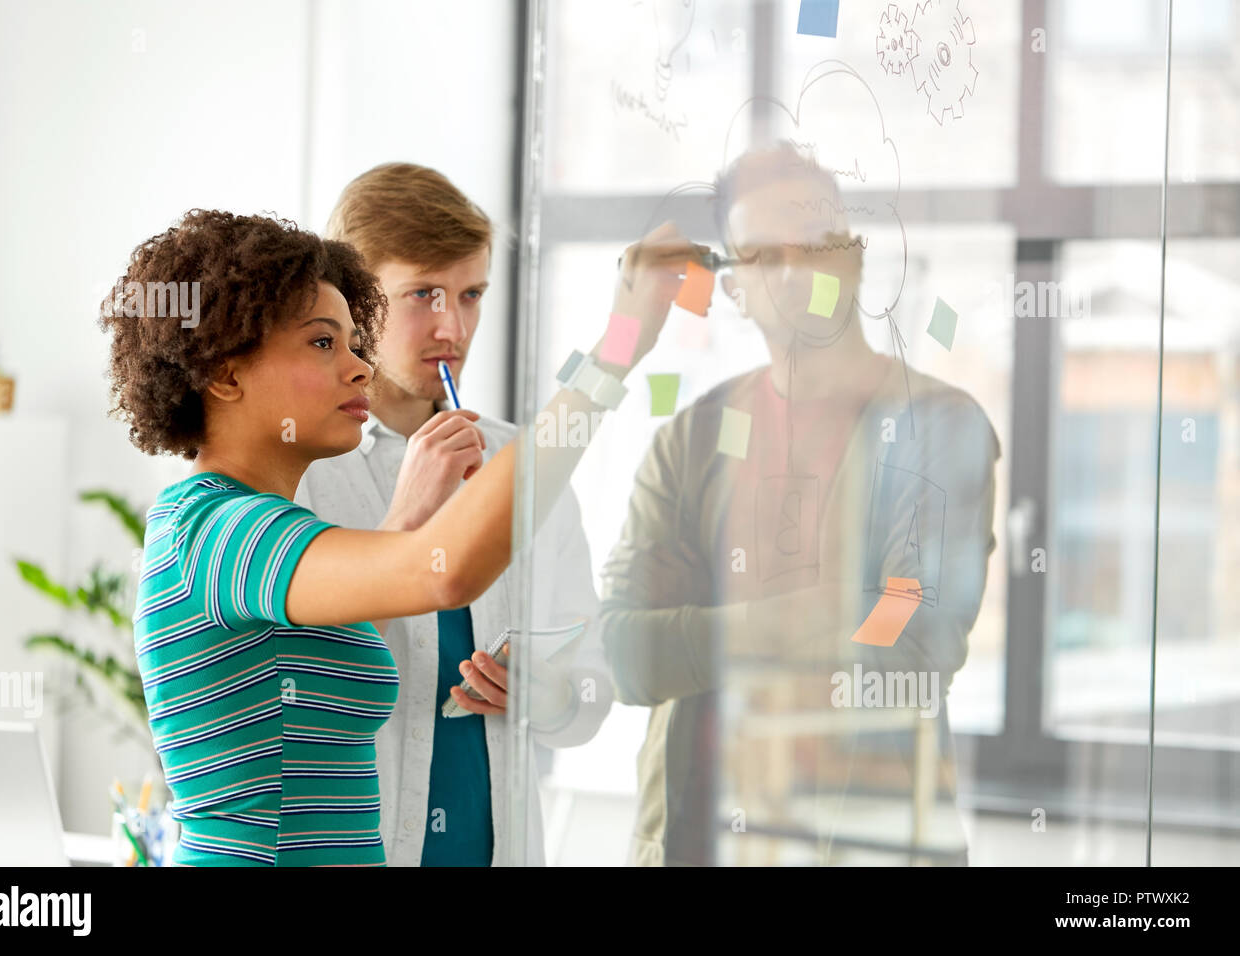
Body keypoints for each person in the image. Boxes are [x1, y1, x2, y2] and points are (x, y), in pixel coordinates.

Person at [103, 207, 697, 865]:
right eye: (323, 343)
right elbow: (443, 573)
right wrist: (616, 349)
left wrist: (409, 519)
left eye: (356, 343)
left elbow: (399, 578)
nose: (359, 367)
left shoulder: (282, 532)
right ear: (226, 374)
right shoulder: (213, 530)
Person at [599, 142, 1000, 866]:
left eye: (817, 245)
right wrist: (829, 610)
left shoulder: (939, 426)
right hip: (695, 839)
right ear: (732, 288)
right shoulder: (689, 441)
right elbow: (627, 654)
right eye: (763, 256)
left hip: (869, 840)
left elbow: (911, 644)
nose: (795, 272)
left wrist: (702, 636)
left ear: (854, 257)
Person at [295, 163, 611, 866]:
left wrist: (549, 691)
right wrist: (411, 513)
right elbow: (301, 699)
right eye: (423, 295)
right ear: (353, 303)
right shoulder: (302, 473)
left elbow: (594, 684)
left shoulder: (522, 467)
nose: (454, 326)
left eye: (471, 294)